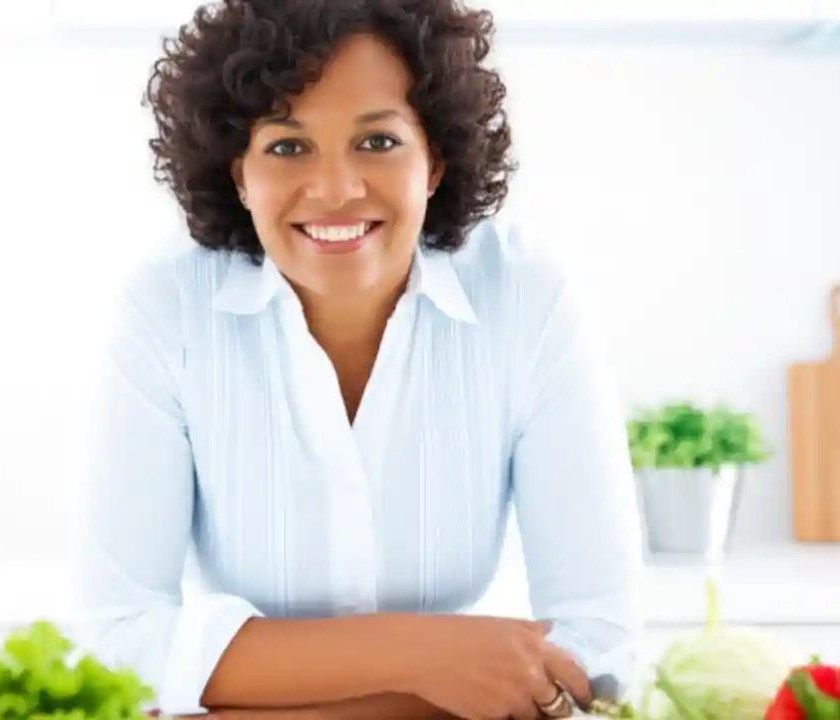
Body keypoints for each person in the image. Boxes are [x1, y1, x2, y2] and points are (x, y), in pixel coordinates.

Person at [75, 1, 645, 718]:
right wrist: (429, 658)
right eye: (287, 147)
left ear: (435, 159)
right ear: (238, 172)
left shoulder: (526, 299)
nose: (337, 189)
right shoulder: (167, 308)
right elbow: (117, 642)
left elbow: (601, 649)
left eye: (377, 142)